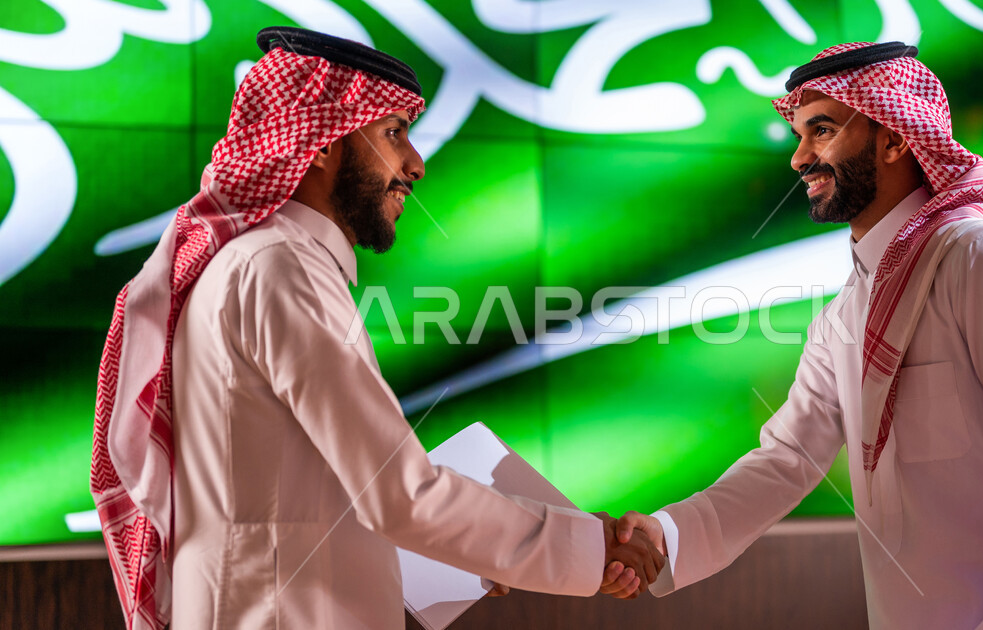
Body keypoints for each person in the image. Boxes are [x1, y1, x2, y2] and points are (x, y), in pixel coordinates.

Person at [90, 27, 661, 630]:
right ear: (318, 143)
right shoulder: (278, 267)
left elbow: (307, 503)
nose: (415, 165)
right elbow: (399, 494)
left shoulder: (268, 262)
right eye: (392, 134)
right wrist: (590, 549)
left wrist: (476, 553)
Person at [602, 42, 983, 628]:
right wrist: (664, 536)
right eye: (799, 135)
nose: (799, 158)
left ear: (895, 136)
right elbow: (787, 458)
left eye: (821, 130)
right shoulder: (846, 313)